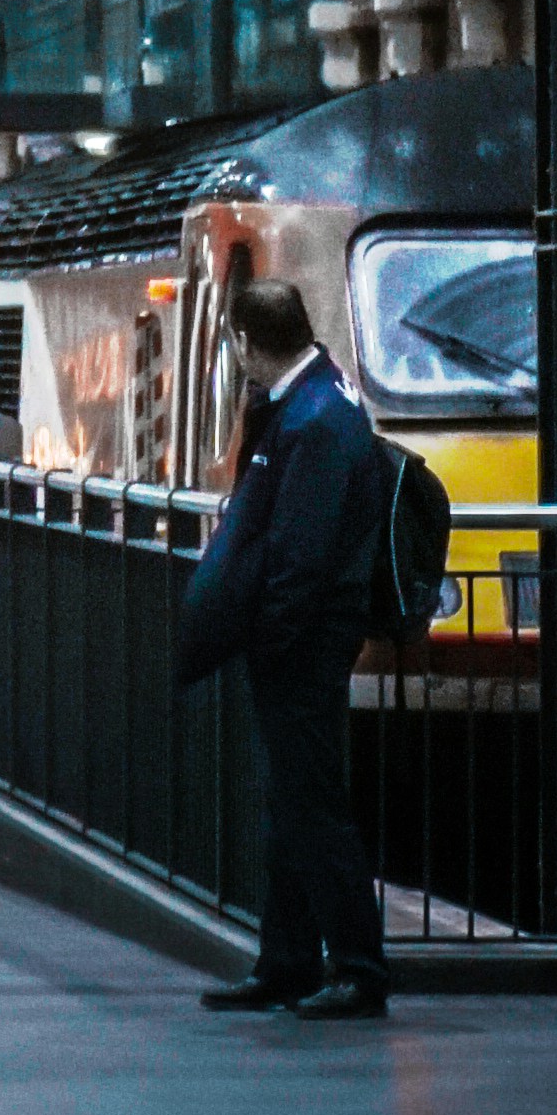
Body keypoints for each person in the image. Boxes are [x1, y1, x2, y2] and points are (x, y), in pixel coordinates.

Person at [176, 268, 396, 1017]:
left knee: (314, 803)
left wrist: (269, 638)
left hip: (305, 645)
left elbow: (301, 556)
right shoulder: (304, 405)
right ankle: (290, 961)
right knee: (290, 802)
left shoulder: (318, 422)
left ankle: (360, 968)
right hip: (297, 641)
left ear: (244, 342)